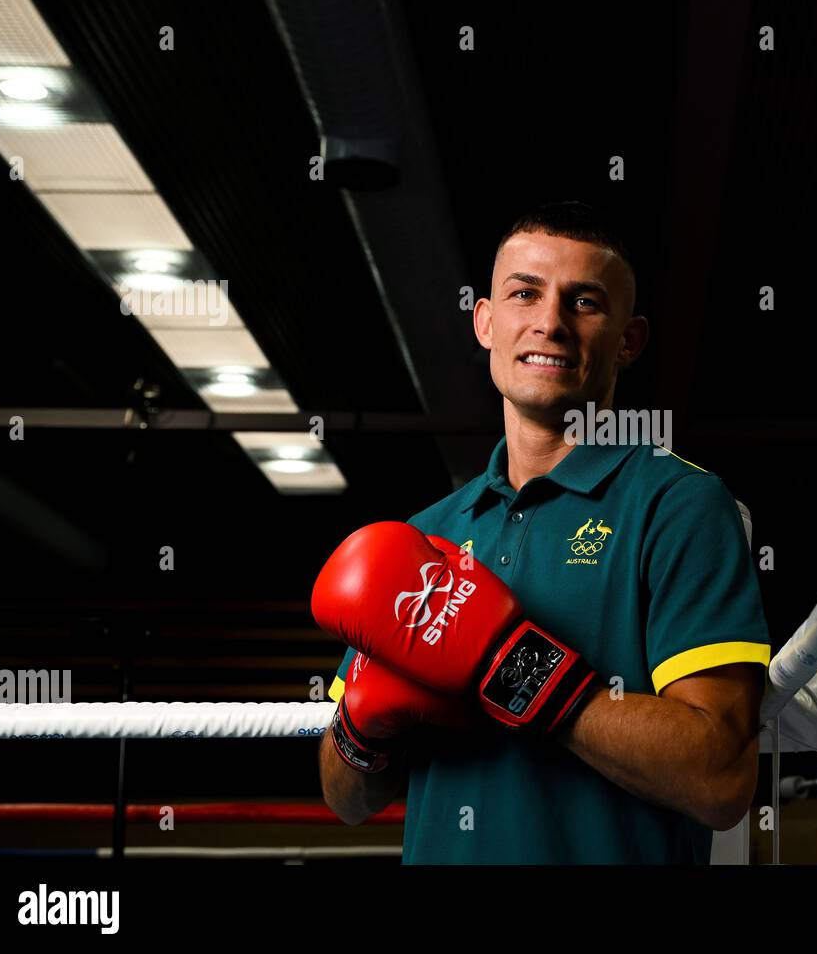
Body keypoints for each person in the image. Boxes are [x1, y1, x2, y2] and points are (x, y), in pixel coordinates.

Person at [318, 201, 770, 863]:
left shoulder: (681, 505)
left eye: (584, 302)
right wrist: (365, 723)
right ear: (486, 321)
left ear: (628, 340)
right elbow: (346, 800)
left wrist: (516, 670)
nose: (550, 322)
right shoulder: (424, 536)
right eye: (524, 293)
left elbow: (721, 778)